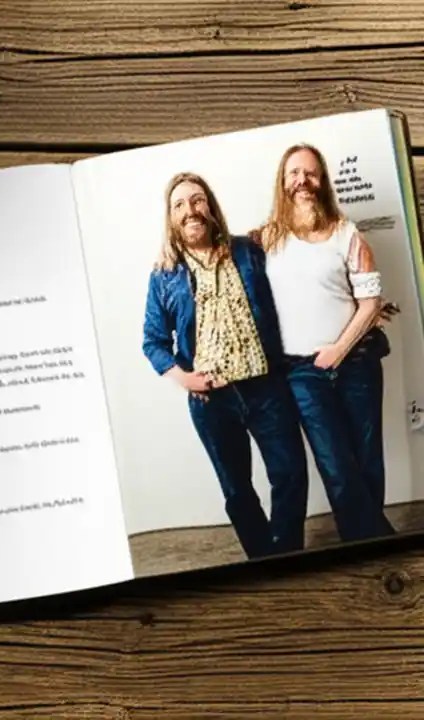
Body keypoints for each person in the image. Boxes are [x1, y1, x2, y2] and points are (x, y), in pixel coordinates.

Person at [143, 172, 310, 557]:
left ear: (211, 207)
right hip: (211, 402)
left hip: (265, 387)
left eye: (197, 200)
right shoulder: (163, 275)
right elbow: (152, 341)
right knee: (237, 490)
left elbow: (294, 277)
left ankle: (287, 557)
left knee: (290, 474)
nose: (190, 210)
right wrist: (184, 379)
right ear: (170, 218)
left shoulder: (248, 252)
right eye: (179, 204)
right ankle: (262, 560)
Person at [256, 143, 394, 541]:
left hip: (357, 362)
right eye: (295, 173)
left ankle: (364, 546)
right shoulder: (266, 240)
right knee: (335, 465)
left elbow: (371, 303)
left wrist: (338, 350)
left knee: (368, 461)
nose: (303, 181)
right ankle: (377, 547)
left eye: (311, 173)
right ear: (282, 182)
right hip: (302, 373)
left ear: (323, 181)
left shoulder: (347, 233)